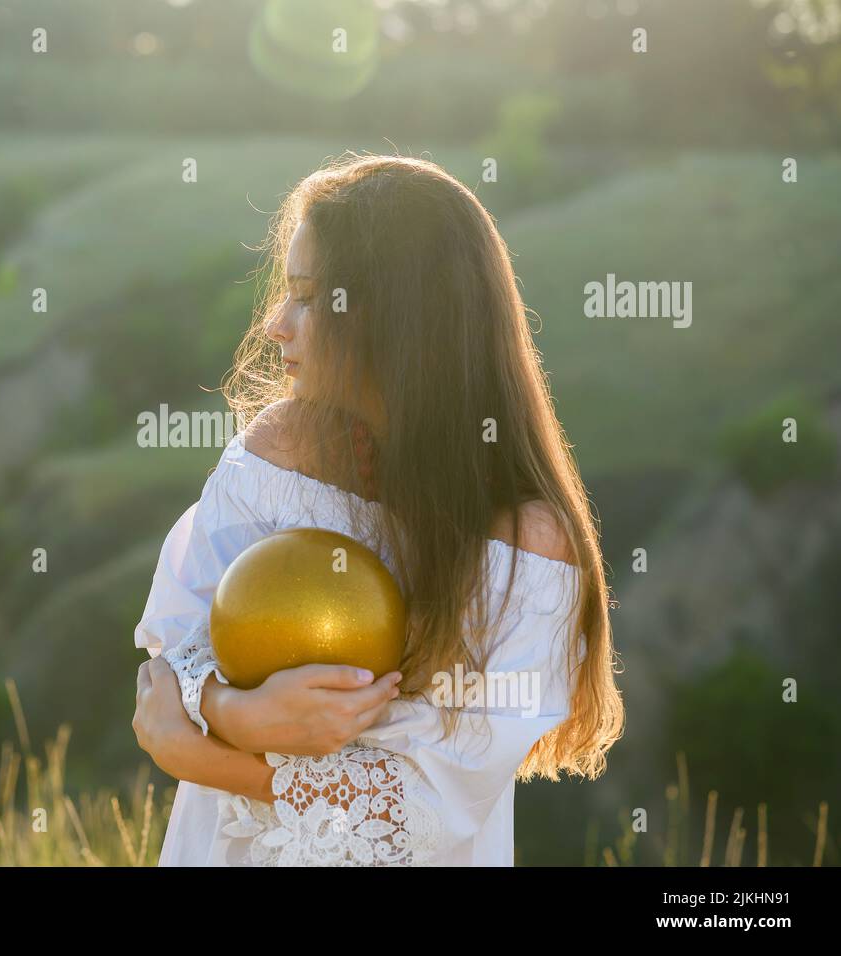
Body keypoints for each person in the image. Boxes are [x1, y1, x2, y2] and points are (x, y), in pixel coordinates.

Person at [132, 153, 624, 866]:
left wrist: (204, 756)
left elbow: (424, 812)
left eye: (307, 297)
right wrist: (228, 710)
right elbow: (172, 647)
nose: (276, 324)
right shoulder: (276, 457)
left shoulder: (524, 545)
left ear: (397, 320)